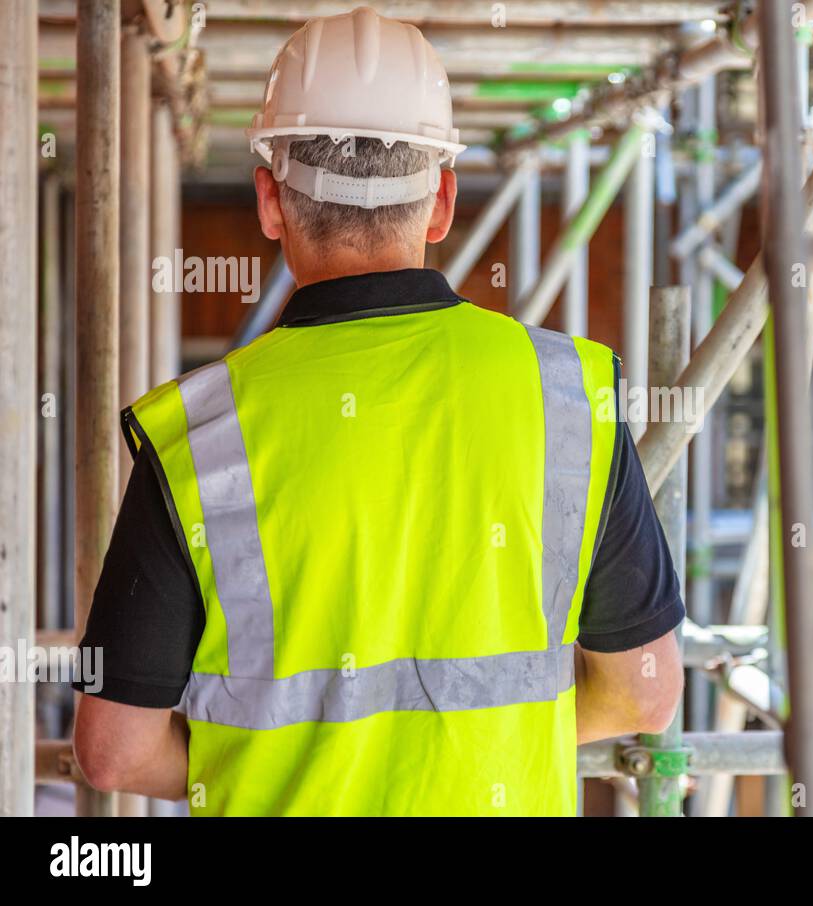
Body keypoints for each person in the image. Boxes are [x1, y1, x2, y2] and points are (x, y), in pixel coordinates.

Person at [73, 6, 683, 816]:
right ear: (441, 202)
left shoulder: (200, 434)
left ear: (269, 202)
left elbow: (112, 749)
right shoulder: (566, 395)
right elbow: (645, 695)